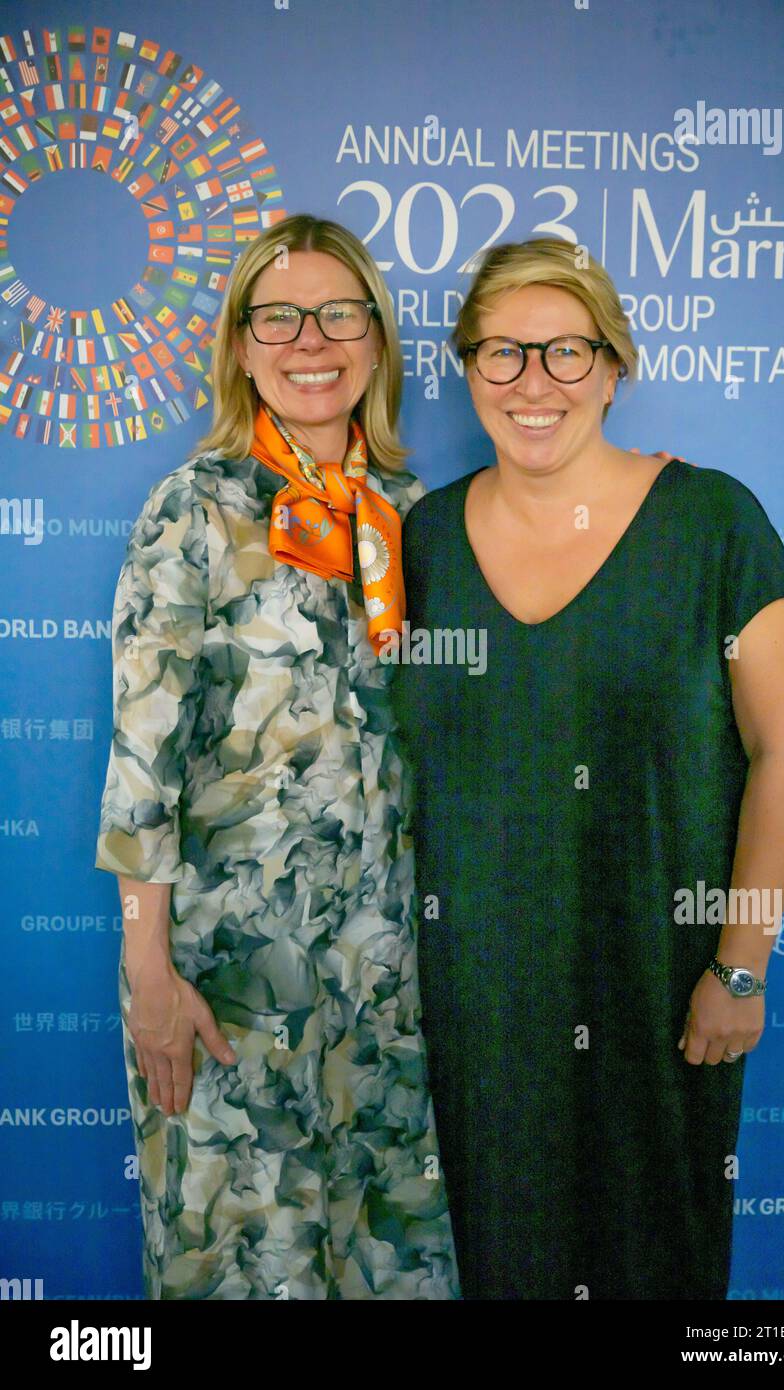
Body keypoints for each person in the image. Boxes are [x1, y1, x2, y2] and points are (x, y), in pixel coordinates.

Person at [389, 237, 784, 1300]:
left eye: (565, 352)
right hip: (478, 1008)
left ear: (613, 367)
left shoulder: (713, 521)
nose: (532, 382)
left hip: (662, 990)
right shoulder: (421, 540)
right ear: (465, 369)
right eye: (501, 353)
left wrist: (739, 965)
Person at [94, 214, 459, 1300]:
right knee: (249, 1277)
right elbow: (142, 763)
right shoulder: (192, 511)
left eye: (340, 313)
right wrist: (146, 971)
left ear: (377, 341)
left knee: (392, 1271)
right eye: (281, 316)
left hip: (387, 991)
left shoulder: (416, 521)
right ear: (242, 347)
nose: (312, 339)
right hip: (225, 987)